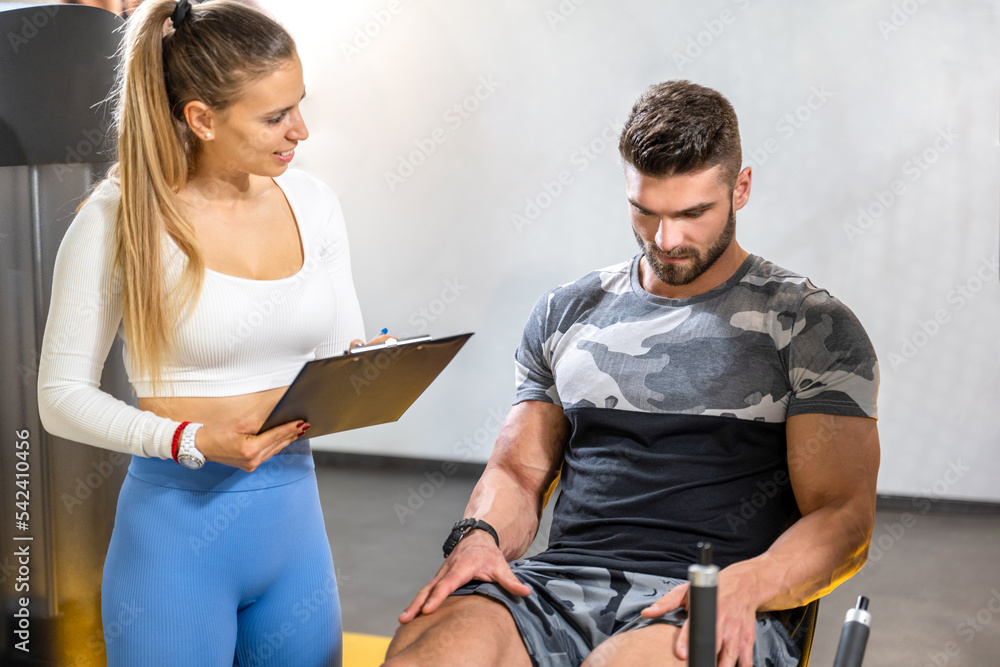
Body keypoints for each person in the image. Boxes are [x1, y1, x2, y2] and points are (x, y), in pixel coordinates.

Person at [383, 80, 881, 667]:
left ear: (740, 187)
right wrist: (479, 537)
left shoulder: (810, 325)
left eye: (693, 213)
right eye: (646, 213)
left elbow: (843, 516)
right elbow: (517, 473)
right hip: (561, 584)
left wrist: (753, 583)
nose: (666, 240)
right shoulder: (565, 312)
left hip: (715, 596)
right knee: (431, 649)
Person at [36, 1, 384, 664]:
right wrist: (188, 438)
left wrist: (372, 369)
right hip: (173, 543)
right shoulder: (119, 218)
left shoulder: (313, 202)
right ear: (201, 118)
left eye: (299, 105)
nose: (301, 130)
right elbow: (58, 396)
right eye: (276, 116)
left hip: (295, 536)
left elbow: (343, 351)